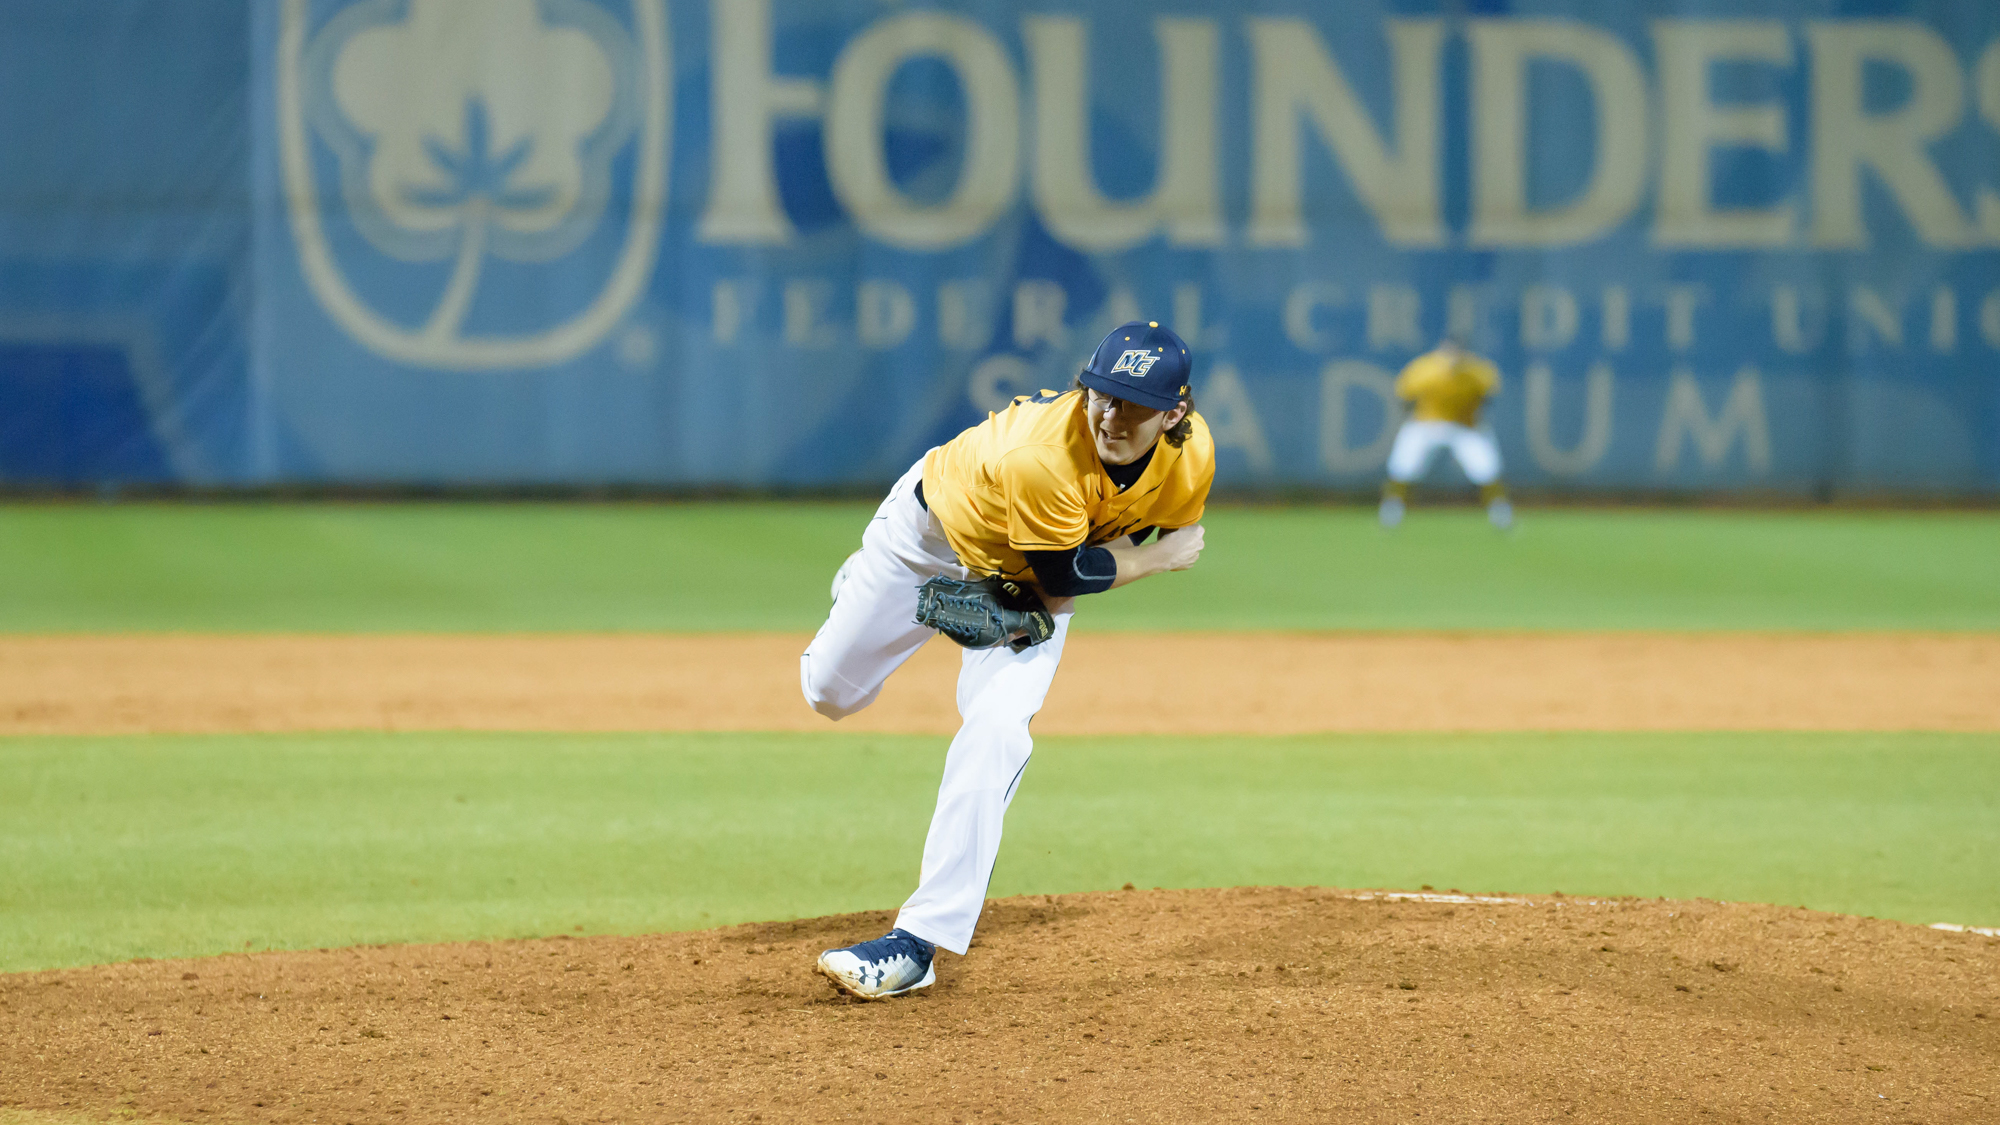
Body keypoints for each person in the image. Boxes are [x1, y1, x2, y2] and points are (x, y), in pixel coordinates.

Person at [801, 321, 1214, 1000]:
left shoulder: (1193, 457)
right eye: (1101, 394)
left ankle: (917, 943)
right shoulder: (1043, 455)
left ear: (1176, 410)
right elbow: (1067, 574)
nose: (1110, 414)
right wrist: (1154, 560)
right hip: (932, 537)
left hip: (1024, 581)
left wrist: (1131, 553)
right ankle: (862, 582)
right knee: (828, 692)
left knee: (998, 731)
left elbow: (1111, 539)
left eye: (1133, 403)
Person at [1379, 339, 1512, 530]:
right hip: (1426, 424)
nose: (1452, 359)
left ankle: (1501, 515)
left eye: (1457, 354)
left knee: (1488, 471)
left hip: (1465, 426)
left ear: (1464, 355)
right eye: (1448, 353)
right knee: (1402, 470)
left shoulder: (1478, 371)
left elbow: (1486, 398)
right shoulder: (1423, 369)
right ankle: (1391, 512)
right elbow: (1405, 398)